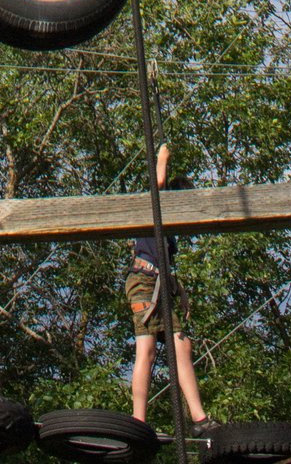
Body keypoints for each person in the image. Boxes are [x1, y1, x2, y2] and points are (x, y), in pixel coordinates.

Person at [125, 143, 217, 432]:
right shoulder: (156, 210)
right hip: (143, 282)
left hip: (159, 286)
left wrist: (179, 290)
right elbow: (158, 186)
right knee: (148, 349)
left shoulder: (169, 237)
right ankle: (138, 420)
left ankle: (198, 418)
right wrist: (162, 159)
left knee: (182, 346)